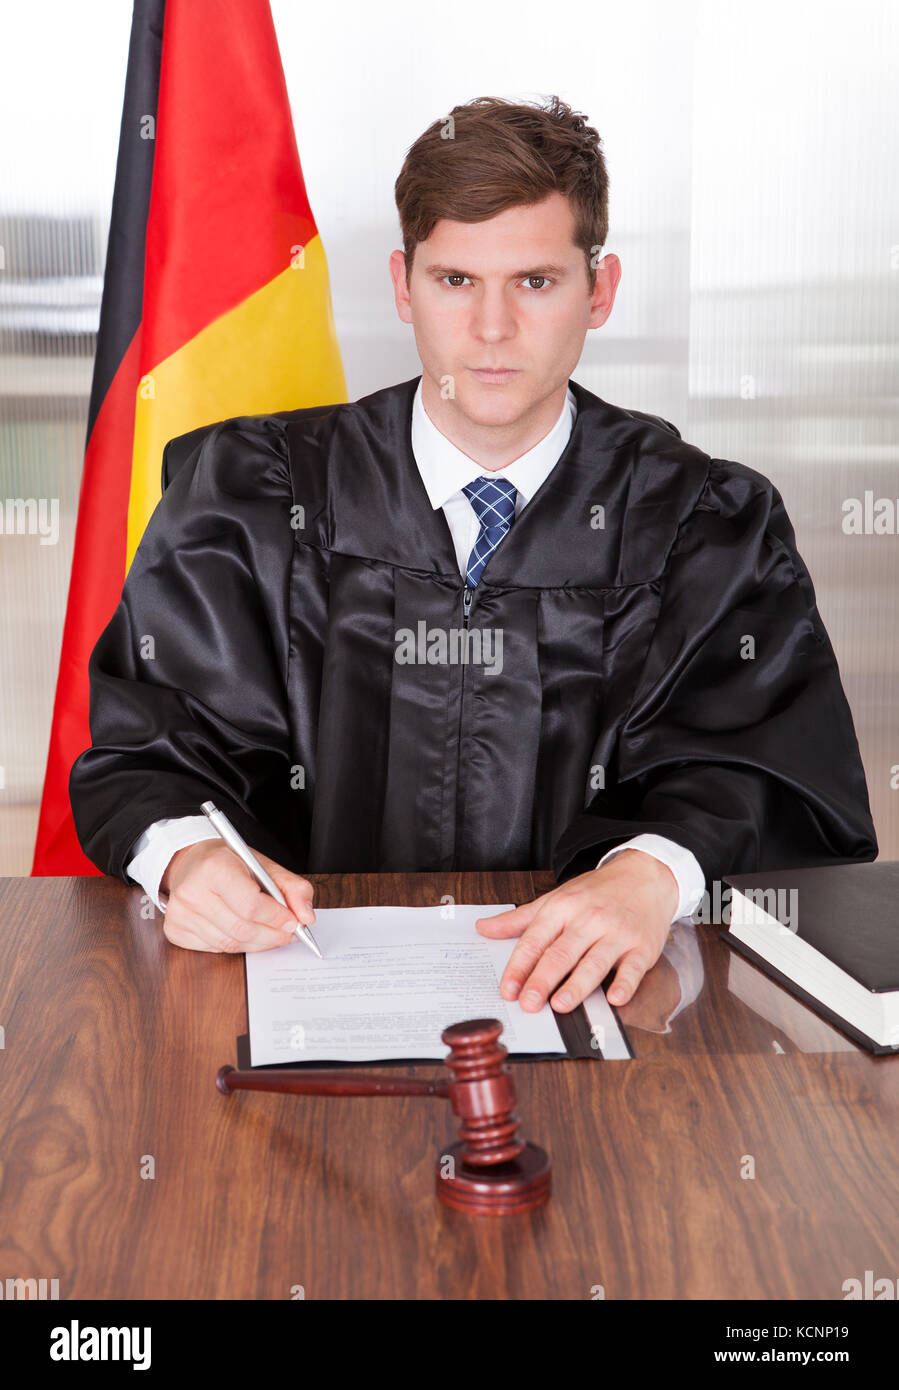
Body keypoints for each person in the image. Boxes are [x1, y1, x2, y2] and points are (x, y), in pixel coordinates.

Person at [69, 95, 878, 1020]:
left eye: (534, 281)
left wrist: (653, 872)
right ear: (401, 285)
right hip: (294, 1001)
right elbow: (153, 743)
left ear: (600, 289)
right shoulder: (249, 492)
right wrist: (185, 856)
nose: (492, 330)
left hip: (604, 1015)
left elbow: (764, 766)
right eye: (456, 280)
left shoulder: (705, 518)